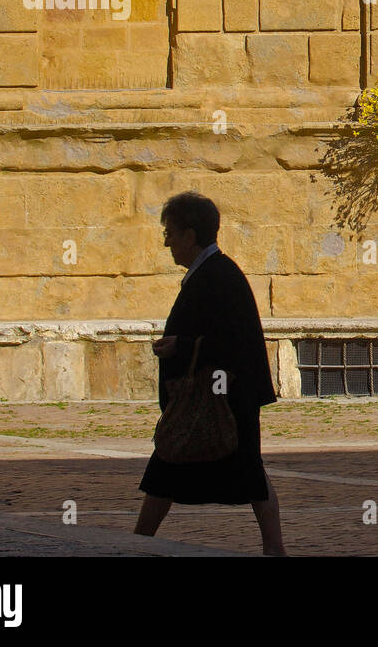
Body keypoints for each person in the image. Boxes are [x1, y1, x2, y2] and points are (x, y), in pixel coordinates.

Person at [134, 191, 286, 556]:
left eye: (169, 233)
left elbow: (230, 338)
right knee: (173, 469)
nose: (166, 241)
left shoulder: (219, 275)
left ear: (190, 235)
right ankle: (138, 541)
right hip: (213, 396)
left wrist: (181, 347)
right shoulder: (211, 272)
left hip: (222, 398)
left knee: (184, 466)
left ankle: (275, 548)